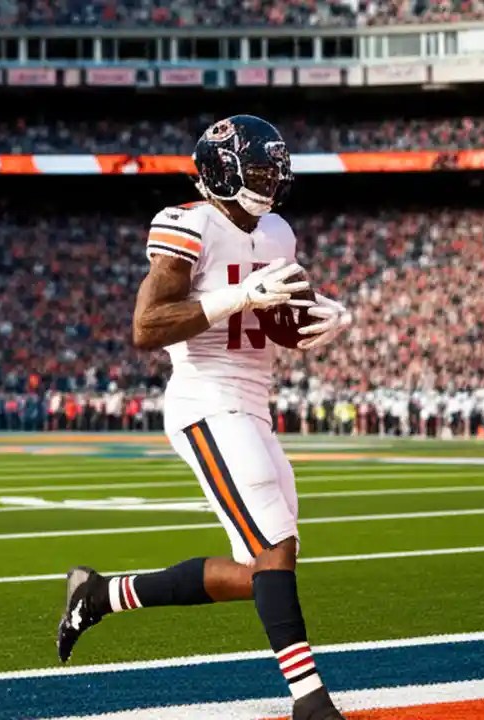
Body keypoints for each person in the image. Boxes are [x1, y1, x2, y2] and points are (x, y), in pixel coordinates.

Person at [54, 116, 352, 720]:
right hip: (206, 399)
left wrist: (322, 315)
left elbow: (277, 319)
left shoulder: (277, 233)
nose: (270, 183)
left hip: (256, 403)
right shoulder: (187, 225)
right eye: (258, 171)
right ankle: (309, 701)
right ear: (222, 170)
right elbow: (147, 326)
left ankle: (102, 594)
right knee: (273, 545)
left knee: (262, 570)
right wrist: (240, 296)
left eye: (275, 171)